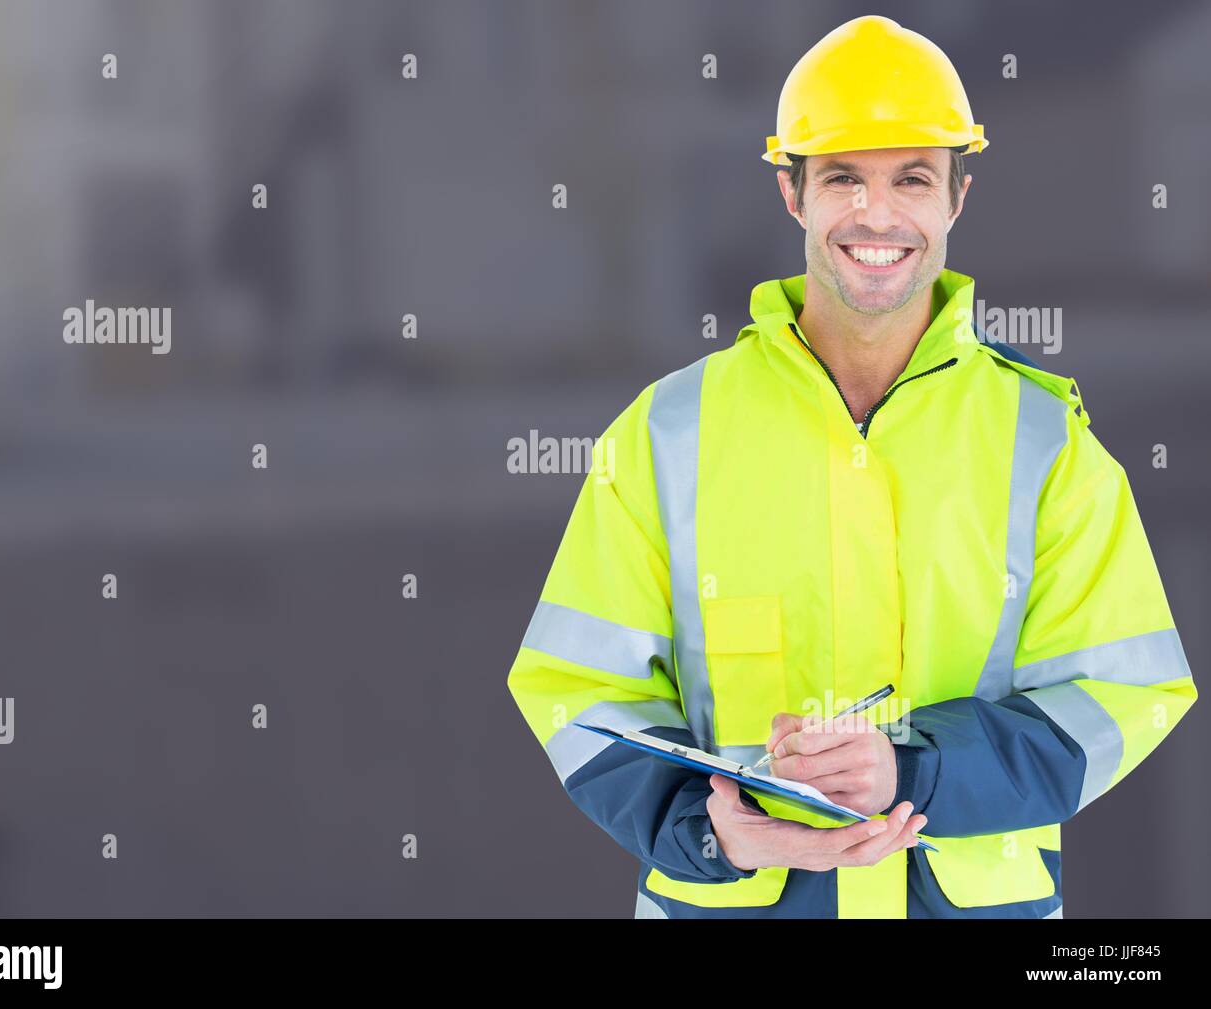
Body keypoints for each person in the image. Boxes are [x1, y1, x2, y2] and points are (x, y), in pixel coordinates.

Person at [505, 14, 1197, 918]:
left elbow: (1127, 691)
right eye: (843, 178)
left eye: (912, 178)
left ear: (956, 196)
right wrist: (711, 832)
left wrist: (915, 769)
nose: (877, 215)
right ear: (793, 195)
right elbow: (574, 687)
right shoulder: (667, 431)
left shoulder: (1048, 443)